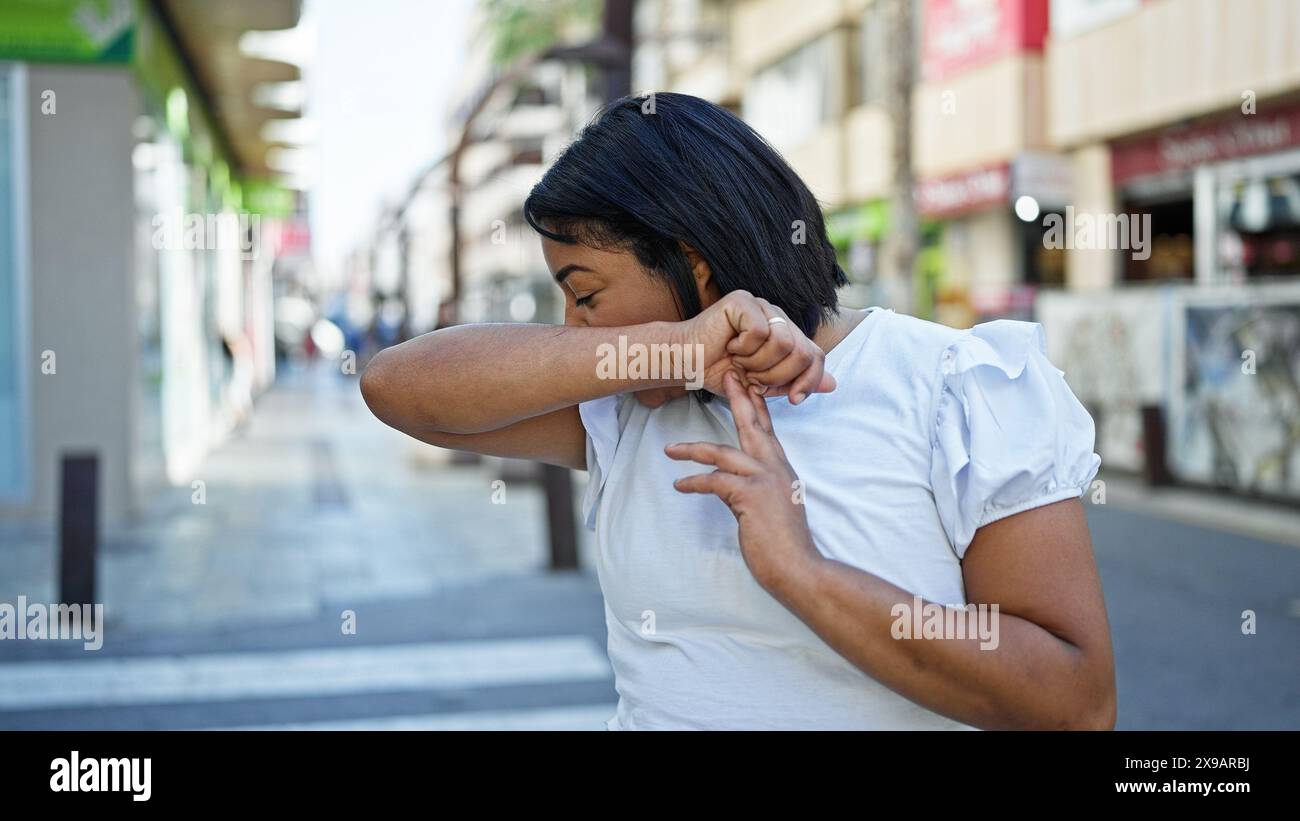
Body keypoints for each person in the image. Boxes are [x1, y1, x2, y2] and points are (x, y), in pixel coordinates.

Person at [361, 93, 1115, 730]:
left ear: (694, 259)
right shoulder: (628, 409)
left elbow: (1074, 700)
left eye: (586, 294)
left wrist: (805, 574)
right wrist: (673, 348)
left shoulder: (958, 384)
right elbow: (397, 387)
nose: (573, 327)